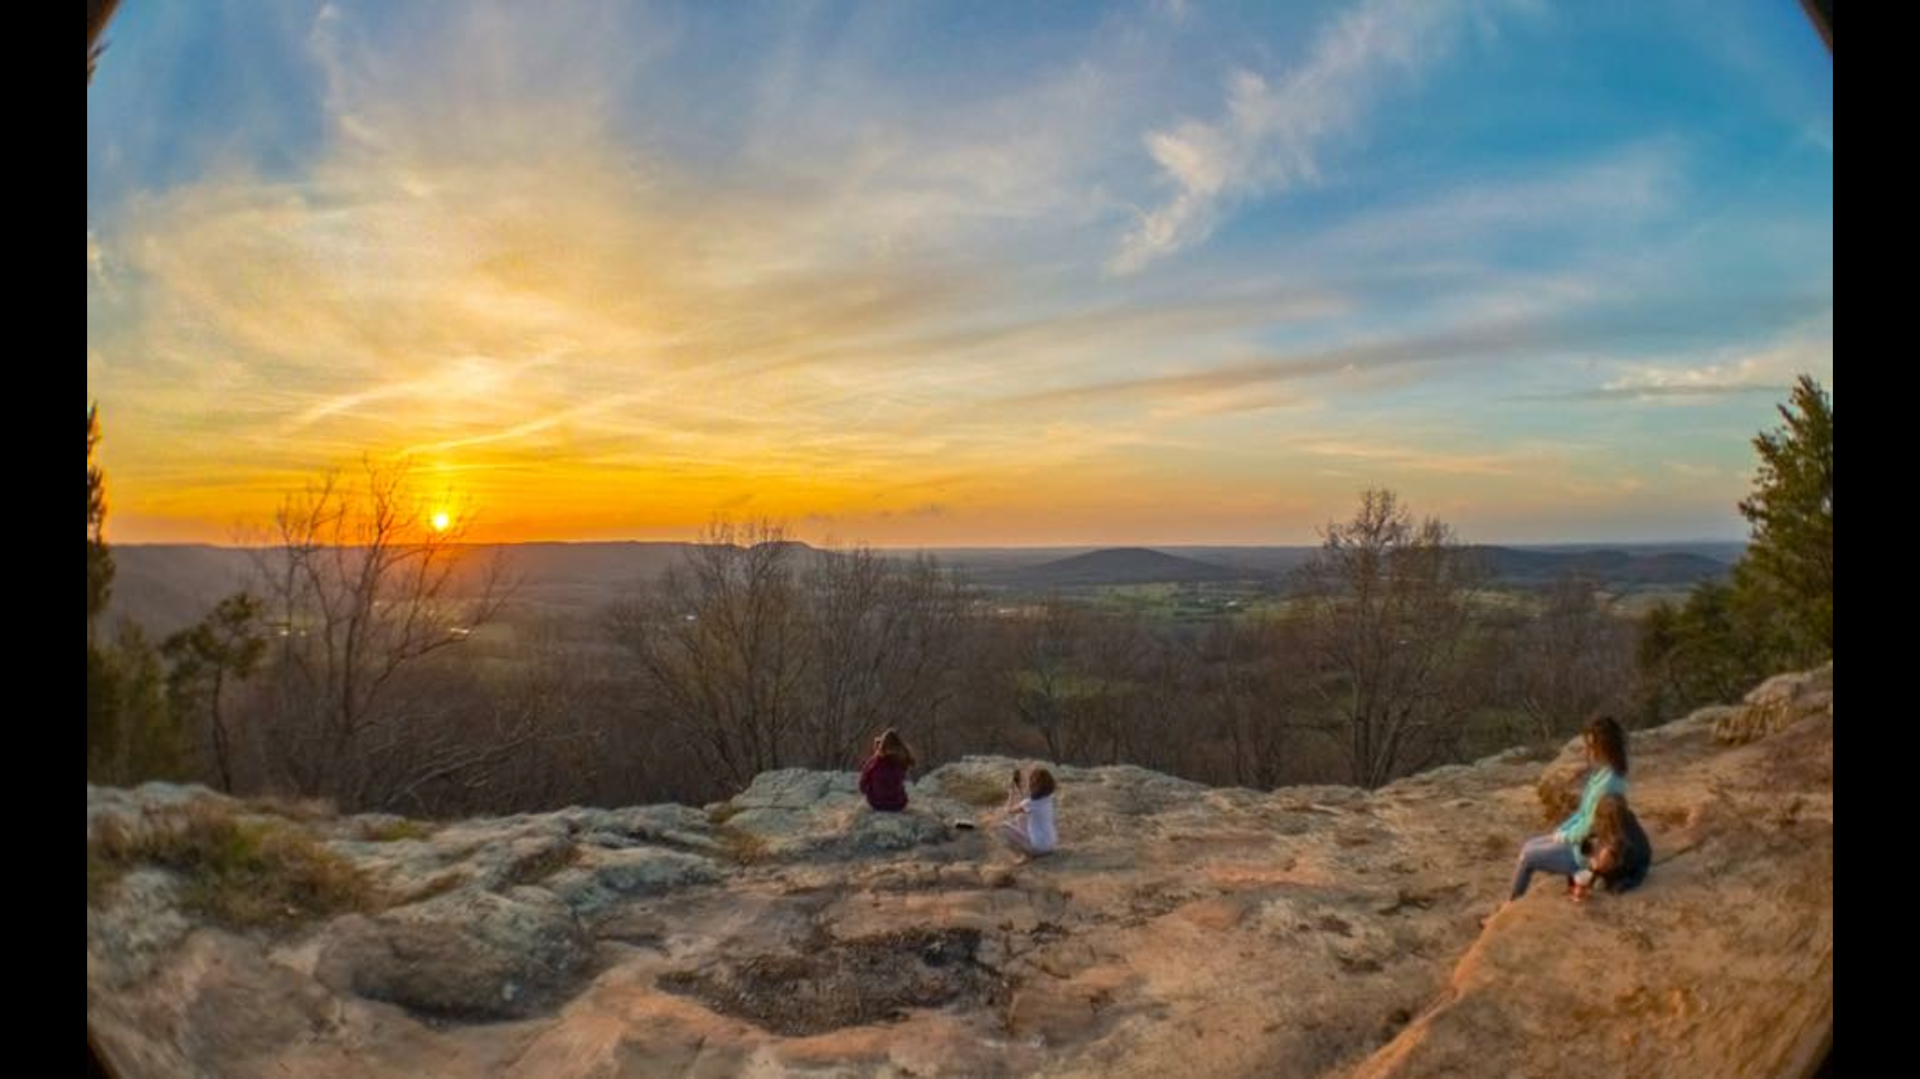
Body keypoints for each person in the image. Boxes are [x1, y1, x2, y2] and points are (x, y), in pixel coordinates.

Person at [1509, 714, 1629, 902]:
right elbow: (1582, 812)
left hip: (1583, 852)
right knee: (1529, 845)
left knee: (1527, 856)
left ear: (1604, 747)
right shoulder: (1604, 773)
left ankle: (1510, 906)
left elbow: (1590, 825)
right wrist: (1562, 831)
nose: (1588, 751)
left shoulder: (1609, 783)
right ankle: (1512, 903)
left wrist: (1564, 837)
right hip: (1577, 840)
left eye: (1591, 746)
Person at [996, 765, 1058, 860]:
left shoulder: (1030, 803)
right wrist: (1020, 790)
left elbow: (1009, 810)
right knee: (1021, 817)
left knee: (1002, 828)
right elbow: (1027, 803)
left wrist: (1011, 794)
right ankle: (1029, 850)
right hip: (1051, 845)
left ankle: (1025, 855)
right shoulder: (1048, 798)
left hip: (1039, 848)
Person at [857, 728, 915, 813]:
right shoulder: (901, 761)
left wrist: (870, 790)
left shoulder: (874, 761)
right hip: (898, 804)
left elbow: (862, 784)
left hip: (877, 803)